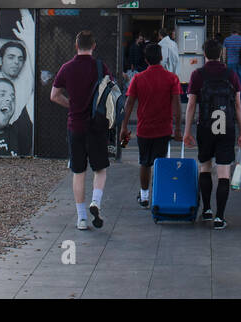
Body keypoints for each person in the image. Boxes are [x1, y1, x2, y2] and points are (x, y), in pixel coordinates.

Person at [50, 30, 111, 230]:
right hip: (97, 126)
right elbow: (110, 93)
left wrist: (71, 105)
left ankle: (82, 218)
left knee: (78, 172)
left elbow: (54, 95)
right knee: (100, 169)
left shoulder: (66, 68)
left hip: (75, 125)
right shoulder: (101, 67)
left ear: (76, 46)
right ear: (93, 46)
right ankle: (96, 201)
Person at [183, 38, 241, 229]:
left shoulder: (197, 74)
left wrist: (187, 131)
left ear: (204, 54)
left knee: (205, 167)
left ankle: (207, 209)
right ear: (221, 54)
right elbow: (237, 106)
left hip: (205, 127)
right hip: (226, 128)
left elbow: (192, 105)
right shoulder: (231, 74)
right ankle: (220, 217)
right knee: (224, 172)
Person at [119, 42, 181, 208]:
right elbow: (177, 105)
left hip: (144, 129)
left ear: (145, 60)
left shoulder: (138, 79)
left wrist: (124, 127)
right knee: (162, 163)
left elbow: (129, 103)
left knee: (144, 162)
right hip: (164, 129)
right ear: (161, 58)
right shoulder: (172, 78)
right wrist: (178, 129)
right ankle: (161, 195)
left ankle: (145, 196)